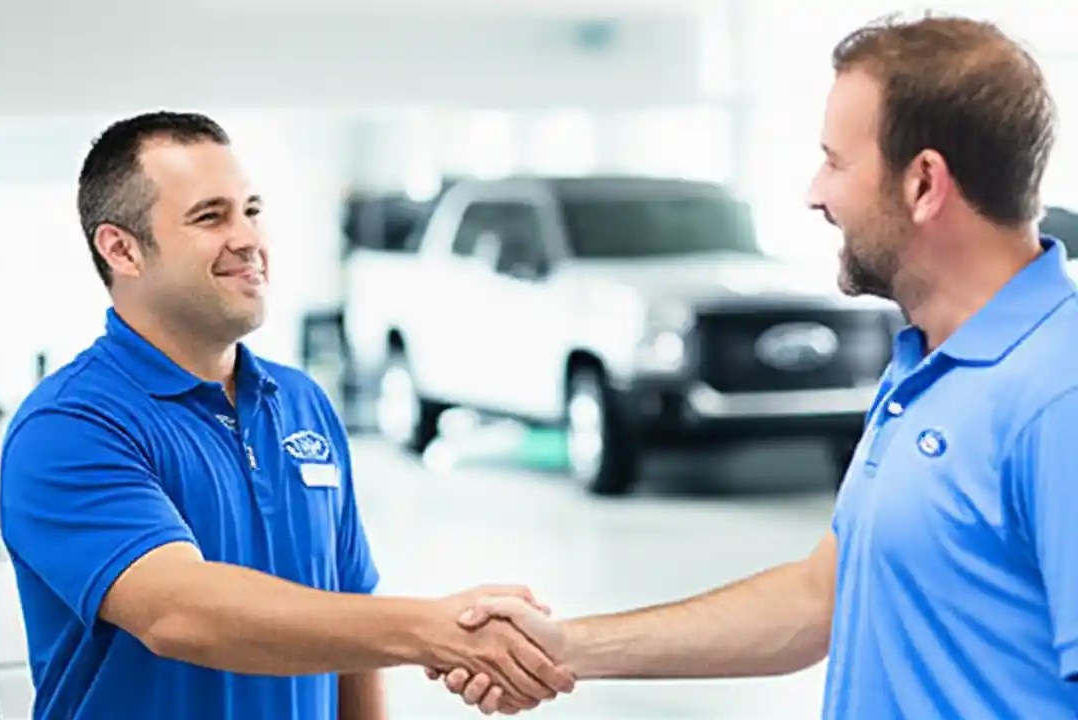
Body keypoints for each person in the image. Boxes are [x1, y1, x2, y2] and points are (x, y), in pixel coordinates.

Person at [432, 13, 1078, 719]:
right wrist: (566, 647)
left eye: (835, 160)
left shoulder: (1058, 392)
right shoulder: (926, 366)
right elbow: (818, 599)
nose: (814, 191)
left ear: (924, 183)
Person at [0, 111, 573, 720]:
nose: (248, 239)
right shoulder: (69, 427)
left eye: (251, 210)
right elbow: (179, 612)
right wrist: (436, 629)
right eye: (210, 216)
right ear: (122, 249)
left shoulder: (301, 404)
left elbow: (351, 618)